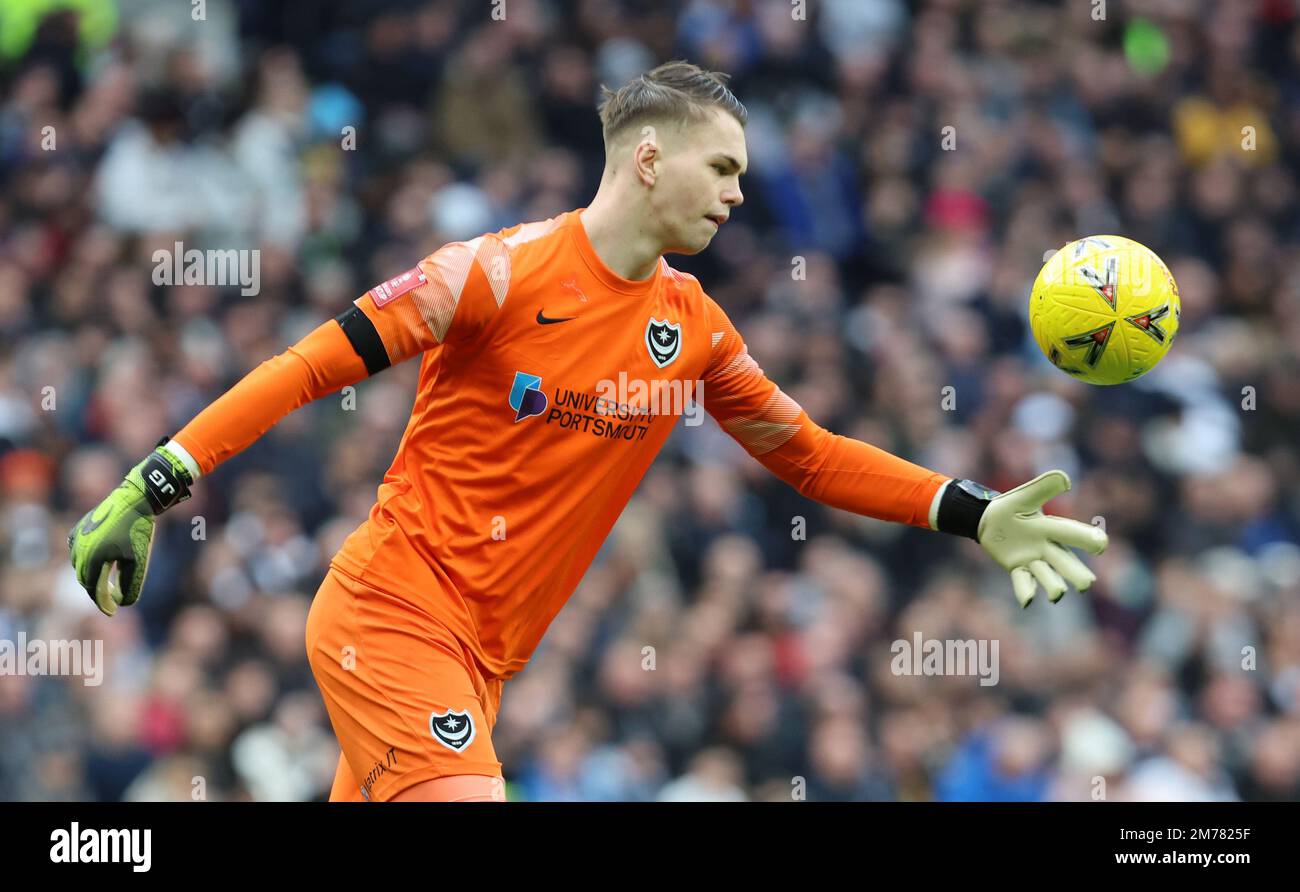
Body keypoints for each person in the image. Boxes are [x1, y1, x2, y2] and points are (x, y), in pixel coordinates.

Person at [67, 61, 1108, 802]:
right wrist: (155, 479)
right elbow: (306, 368)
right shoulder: (491, 274)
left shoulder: (692, 328)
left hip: (482, 663)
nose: (741, 194)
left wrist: (970, 513)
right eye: (724, 168)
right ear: (649, 158)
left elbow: (810, 455)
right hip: (390, 612)